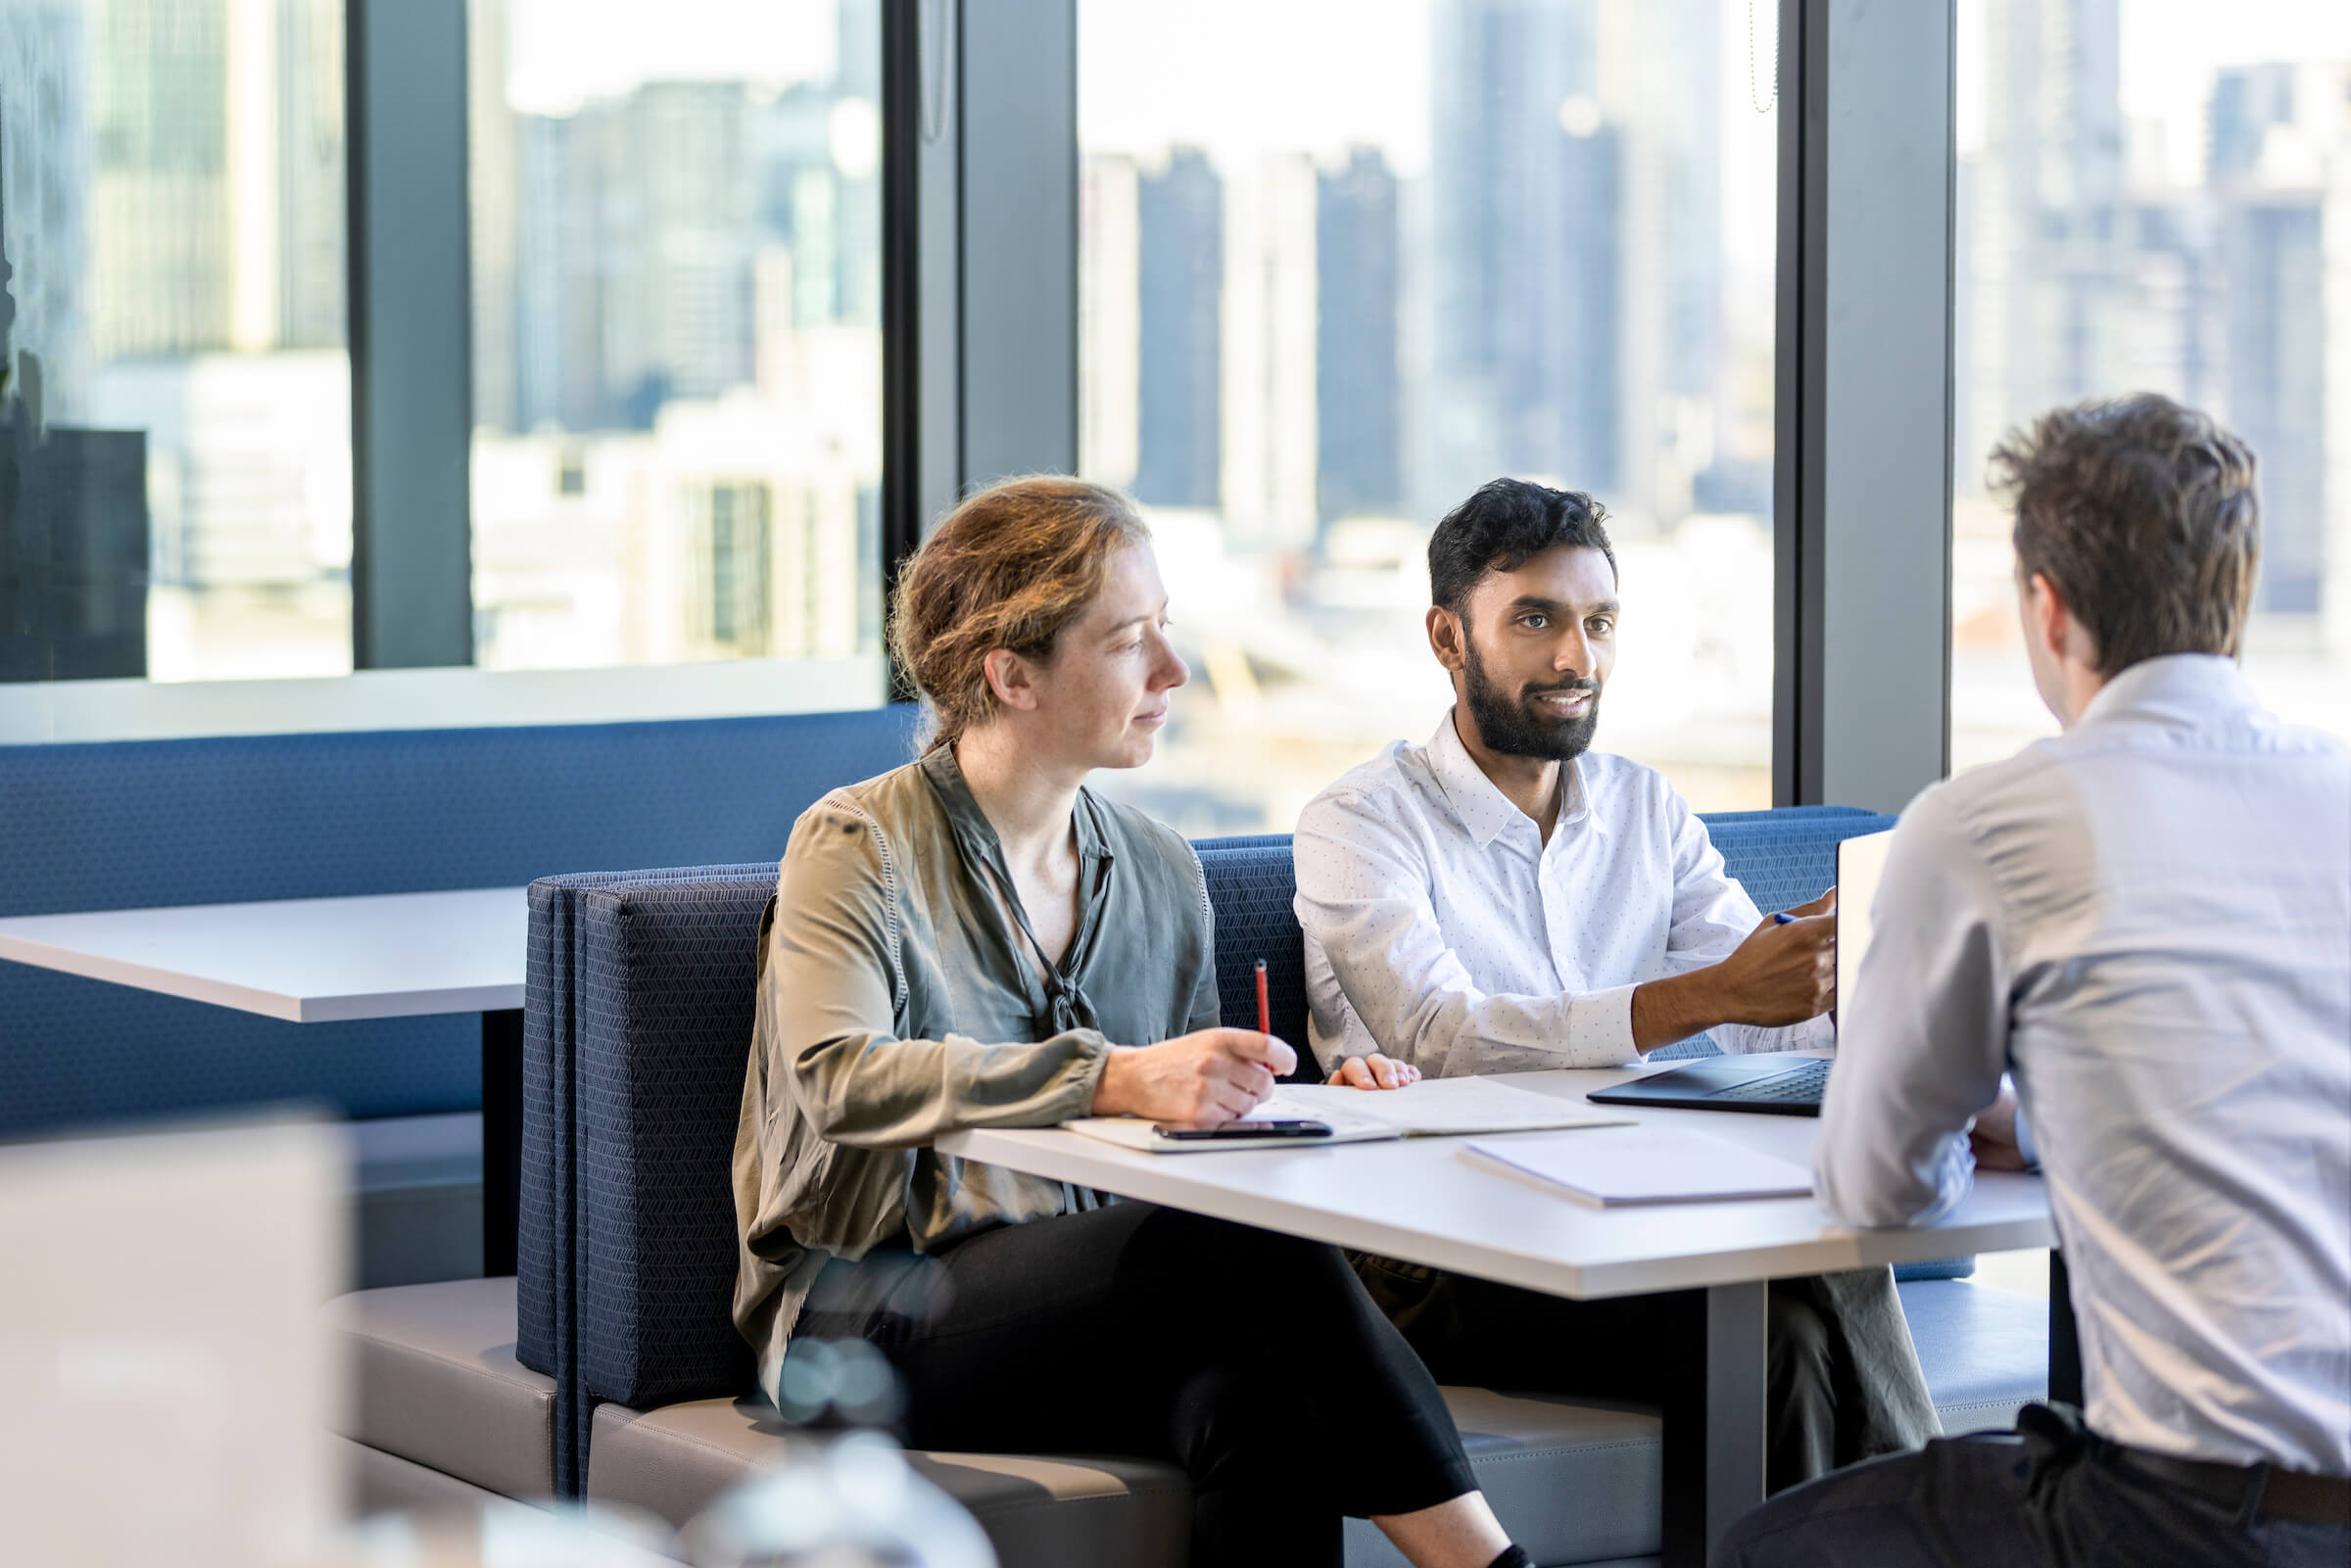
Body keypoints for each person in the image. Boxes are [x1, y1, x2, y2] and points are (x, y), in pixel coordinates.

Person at [730, 475, 1535, 1568]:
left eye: (1167, 631)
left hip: (1091, 1293)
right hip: (866, 1300)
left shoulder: (1159, 871)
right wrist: (1113, 1075)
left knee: (1263, 1399)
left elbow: (1184, 1145)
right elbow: (842, 1076)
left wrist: (1287, 1104)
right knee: (1239, 1246)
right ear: (1009, 673)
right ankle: (1492, 1564)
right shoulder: (856, 843)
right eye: (1128, 642)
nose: (1174, 670)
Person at [1714, 397, 2351, 1567]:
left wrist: (1978, 1116)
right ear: (2240, 592)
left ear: (2046, 607)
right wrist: (2065, 1111)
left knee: (1763, 1547)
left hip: (2191, 1518)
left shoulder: (1991, 821)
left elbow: (1875, 1184)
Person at [1293, 477, 1939, 1492]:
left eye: (1598, 622)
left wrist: (1846, 976)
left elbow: (1762, 1018)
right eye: (1537, 619)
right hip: (1434, 1248)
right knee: (1797, 1309)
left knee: (1801, 1313)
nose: (1575, 657)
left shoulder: (1646, 808)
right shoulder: (1360, 822)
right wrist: (1713, 996)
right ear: (1448, 637)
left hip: (1622, 1210)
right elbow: (1437, 1031)